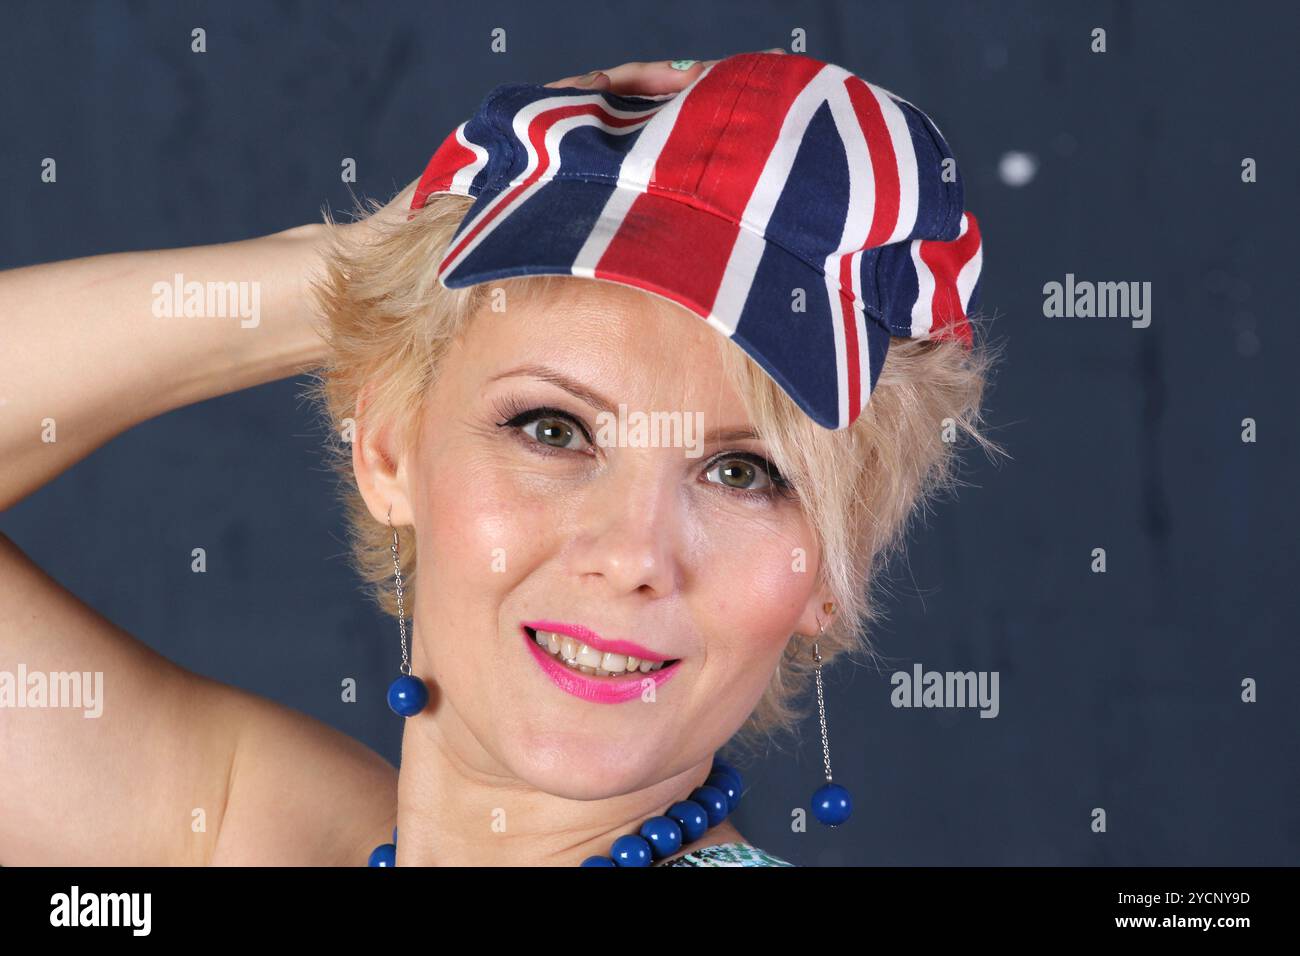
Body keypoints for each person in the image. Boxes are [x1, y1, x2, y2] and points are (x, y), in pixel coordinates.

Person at [0, 51, 1001, 866]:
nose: (632, 550)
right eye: (554, 428)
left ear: (834, 561)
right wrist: (347, 273)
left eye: (744, 471)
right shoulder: (248, 828)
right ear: (387, 443)